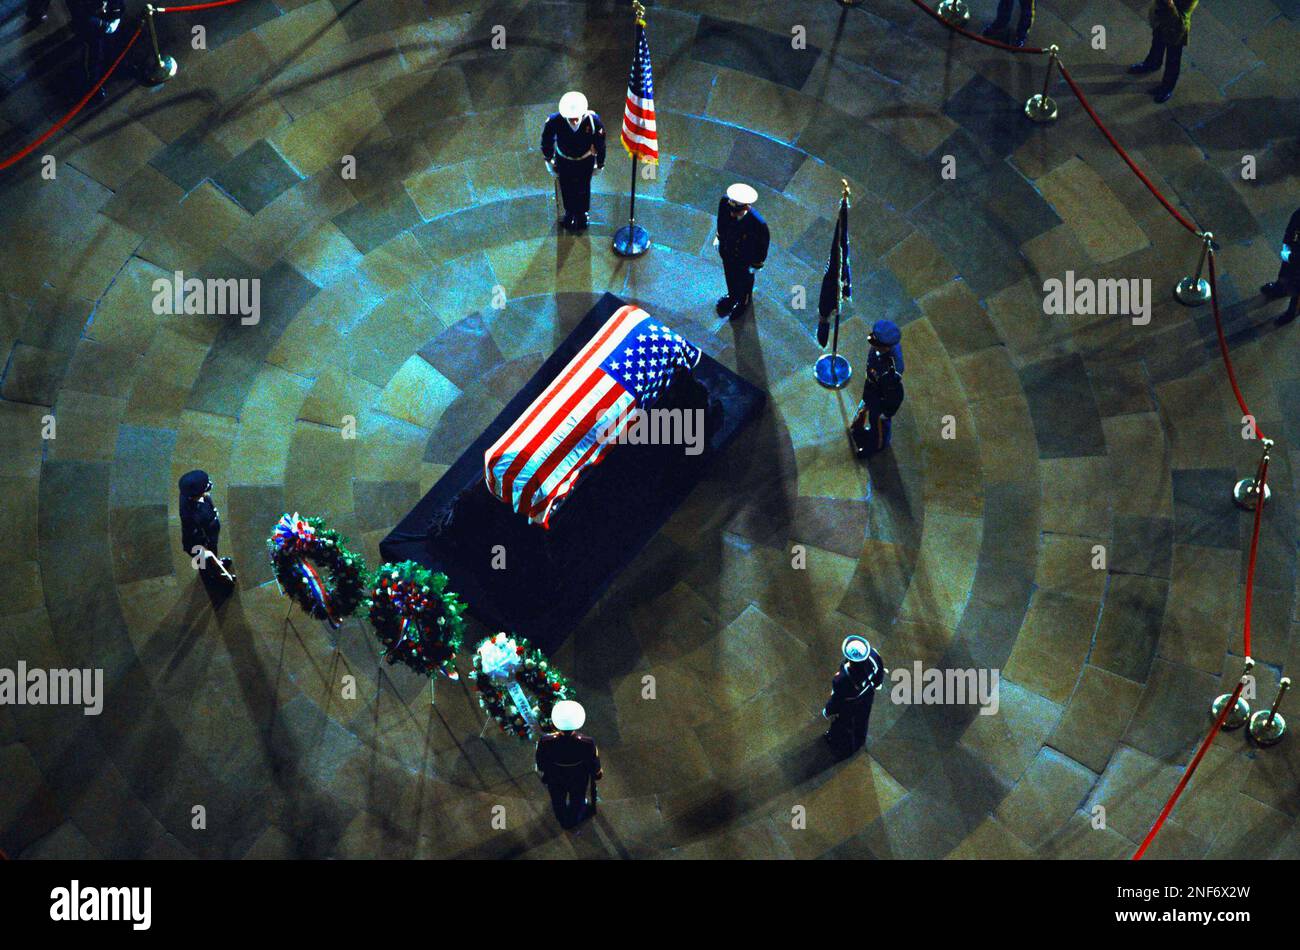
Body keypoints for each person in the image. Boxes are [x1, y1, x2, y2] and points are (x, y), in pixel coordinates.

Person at [540, 91, 606, 232]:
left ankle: (582, 213)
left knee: (583, 187)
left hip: (585, 161)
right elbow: (546, 140)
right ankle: (569, 212)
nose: (574, 121)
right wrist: (548, 158)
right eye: (571, 119)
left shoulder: (593, 121)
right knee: (566, 187)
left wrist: (600, 163)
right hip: (564, 161)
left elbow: (600, 143)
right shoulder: (554, 120)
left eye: (576, 118)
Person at [535, 700, 602, 829]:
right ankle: (574, 819)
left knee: (557, 799)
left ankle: (562, 818)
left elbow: (541, 763)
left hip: (555, 777)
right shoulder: (587, 742)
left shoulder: (545, 741)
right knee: (577, 799)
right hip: (578, 777)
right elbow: (593, 761)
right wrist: (597, 772)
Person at [849, 319, 905, 458]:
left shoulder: (892, 370)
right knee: (863, 409)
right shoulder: (878, 349)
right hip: (871, 389)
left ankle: (876, 447)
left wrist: (886, 413)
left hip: (881, 401)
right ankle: (858, 428)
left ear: (885, 347)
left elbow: (896, 396)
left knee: (878, 426)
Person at [714, 183, 770, 322]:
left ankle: (743, 302)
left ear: (745, 207)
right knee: (729, 275)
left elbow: (762, 245)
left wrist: (757, 264)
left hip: (745, 259)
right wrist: (719, 238)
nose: (732, 214)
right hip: (727, 251)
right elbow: (721, 221)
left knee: (744, 282)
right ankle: (732, 296)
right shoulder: (724, 202)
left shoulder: (758, 224)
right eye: (731, 210)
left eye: (736, 211)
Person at [822, 635, 885, 757]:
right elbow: (879, 675)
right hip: (867, 697)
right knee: (862, 720)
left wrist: (827, 711)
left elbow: (836, 699)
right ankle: (860, 740)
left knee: (843, 723)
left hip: (849, 704)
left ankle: (836, 741)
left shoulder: (842, 678)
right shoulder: (874, 656)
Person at [1128, 0, 1199, 104]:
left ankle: (1167, 87)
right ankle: (1152, 64)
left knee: (1173, 59)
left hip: (1176, 29)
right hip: (1161, 20)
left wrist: (1169, 4)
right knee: (1156, 44)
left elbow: (1179, 18)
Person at [178, 470, 236, 586]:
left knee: (213, 554)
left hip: (209, 537)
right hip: (201, 546)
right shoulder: (191, 516)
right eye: (206, 485)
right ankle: (214, 577)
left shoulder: (190, 495)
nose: (209, 484)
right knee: (205, 563)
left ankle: (215, 565)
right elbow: (193, 539)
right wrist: (205, 551)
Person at [67, 0, 125, 103]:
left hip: (105, 15)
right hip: (90, 22)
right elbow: (79, 13)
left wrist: (117, 16)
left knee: (112, 44)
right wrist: (103, 25)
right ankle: (93, 84)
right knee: (94, 52)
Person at [1262, 206, 1300, 327]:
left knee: (1298, 291)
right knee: (1284, 273)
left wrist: (1289, 256)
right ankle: (1280, 289)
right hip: (1293, 252)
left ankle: (1292, 312)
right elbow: (1291, 228)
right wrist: (1286, 245)